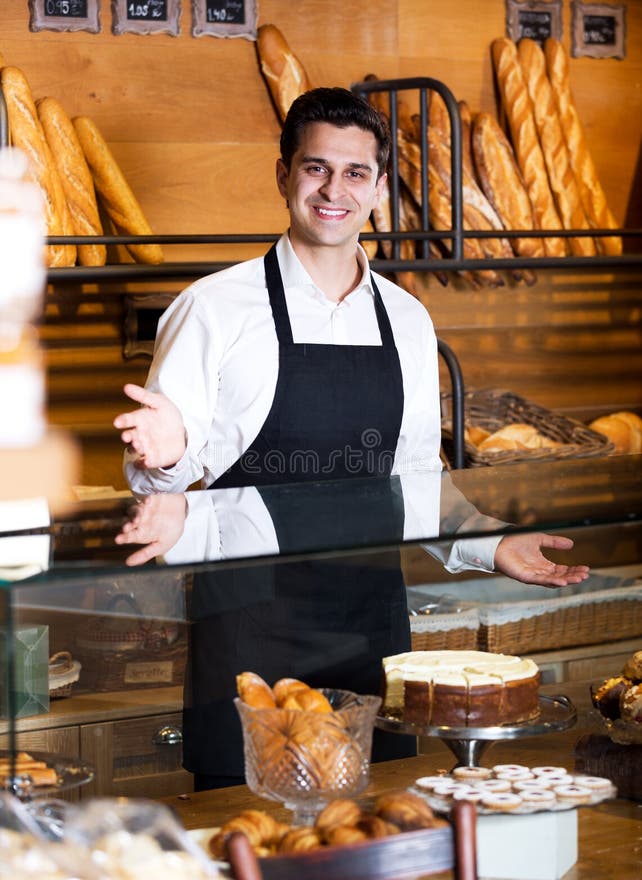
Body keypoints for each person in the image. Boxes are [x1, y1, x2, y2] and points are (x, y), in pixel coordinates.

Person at [114, 87, 588, 789]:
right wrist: (169, 453)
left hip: (372, 624)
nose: (334, 190)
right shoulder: (212, 309)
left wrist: (492, 542)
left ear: (378, 188)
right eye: (315, 169)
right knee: (250, 834)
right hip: (249, 625)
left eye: (356, 172)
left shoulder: (407, 319)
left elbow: (416, 480)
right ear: (284, 176)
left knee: (373, 832)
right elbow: (159, 493)